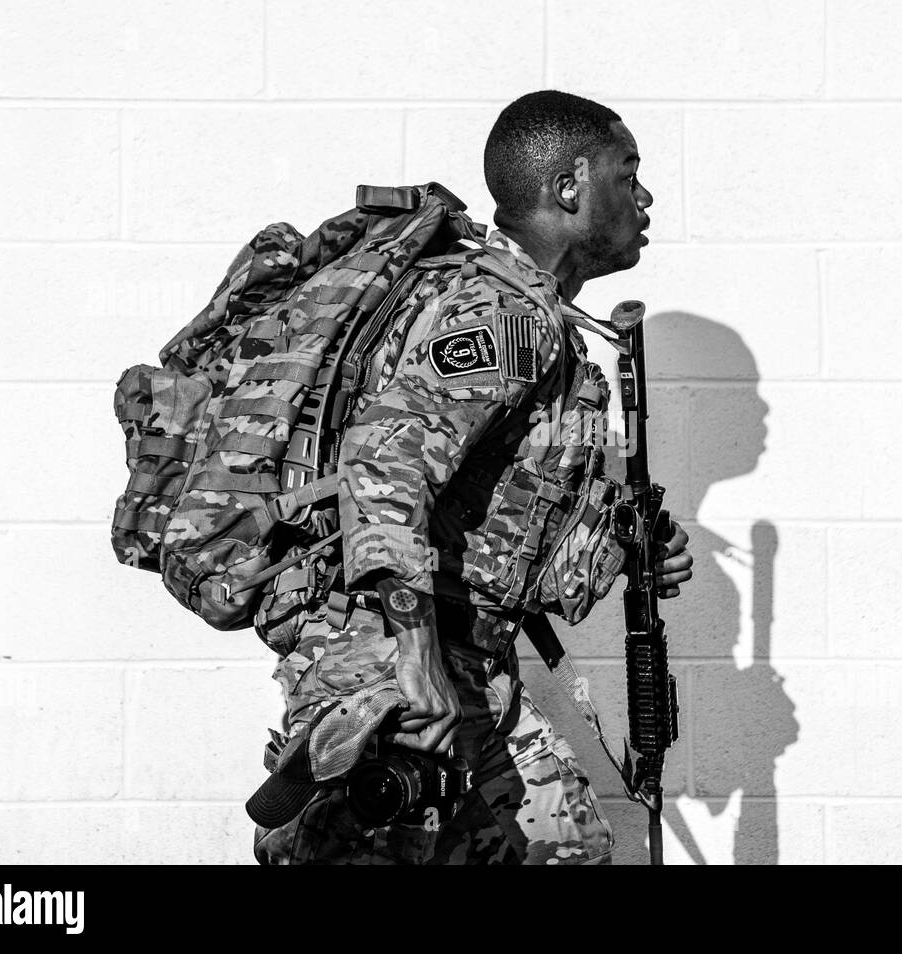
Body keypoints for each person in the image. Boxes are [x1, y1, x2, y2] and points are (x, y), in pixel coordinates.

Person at [251, 89, 693, 865]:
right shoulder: (502, 318)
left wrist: (621, 544)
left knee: (568, 847)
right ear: (570, 186)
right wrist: (412, 652)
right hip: (391, 647)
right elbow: (382, 468)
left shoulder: (541, 325)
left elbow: (518, 543)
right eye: (629, 174)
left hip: (470, 658)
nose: (645, 196)